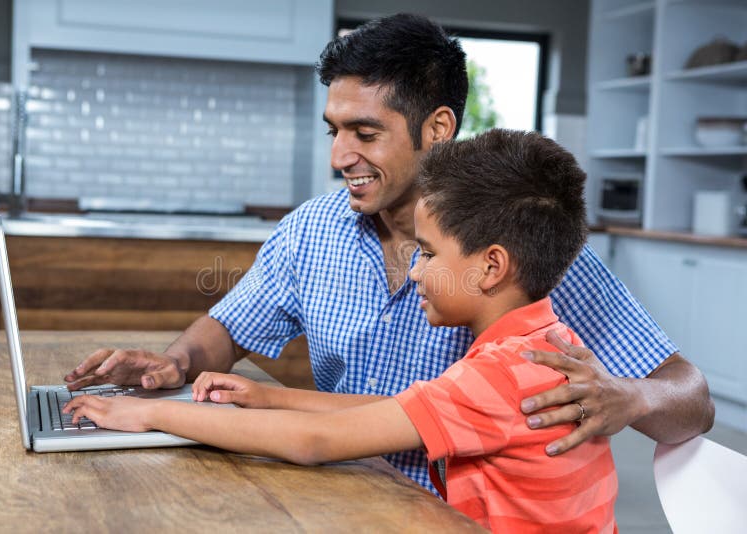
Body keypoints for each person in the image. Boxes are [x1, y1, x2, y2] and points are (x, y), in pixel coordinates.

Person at [63, 13, 713, 493]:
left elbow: (691, 400)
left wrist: (633, 399)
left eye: (364, 132)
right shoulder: (311, 231)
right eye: (335, 130)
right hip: (336, 492)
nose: (340, 156)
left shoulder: (524, 247)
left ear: (438, 128)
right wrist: (173, 366)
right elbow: (232, 330)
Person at [65, 130, 619, 533]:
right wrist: (267, 398)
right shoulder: (546, 343)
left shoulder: (500, 372)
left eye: (428, 254)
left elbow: (316, 445)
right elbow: (401, 408)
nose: (418, 269)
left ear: (492, 267)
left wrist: (148, 415)